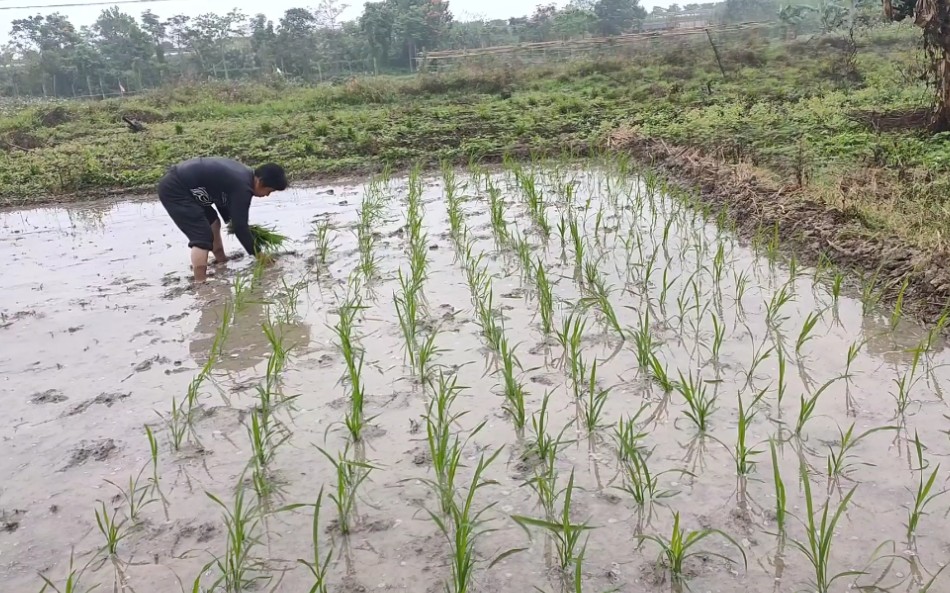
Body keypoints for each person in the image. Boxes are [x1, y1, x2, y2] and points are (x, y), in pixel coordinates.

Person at [157, 157, 289, 282]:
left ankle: (221, 261)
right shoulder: (243, 186)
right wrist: (261, 257)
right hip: (176, 189)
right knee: (202, 236)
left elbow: (223, 200)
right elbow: (240, 228)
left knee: (213, 222)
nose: (267, 195)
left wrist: (233, 221)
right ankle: (200, 283)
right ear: (260, 181)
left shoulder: (244, 175)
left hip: (187, 186)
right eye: (269, 191)